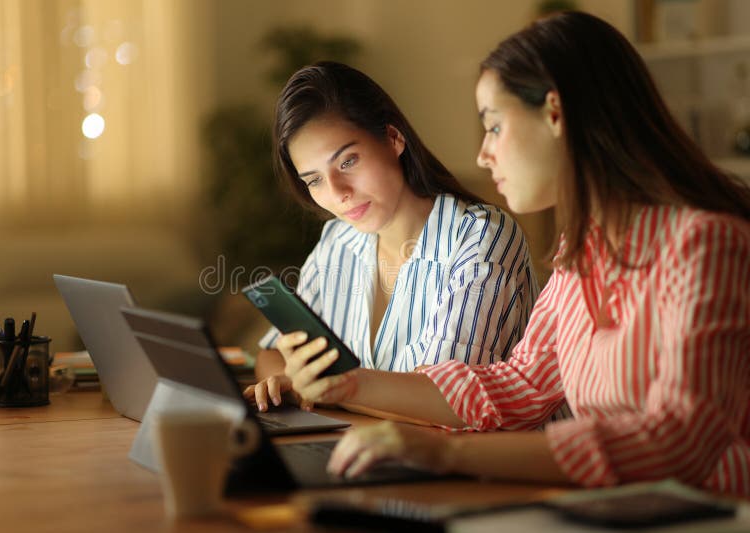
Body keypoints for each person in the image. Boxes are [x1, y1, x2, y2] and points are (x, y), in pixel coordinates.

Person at [286, 13, 750, 497]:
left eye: (493, 126)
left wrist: (447, 453)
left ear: (554, 114)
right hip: (621, 509)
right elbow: (520, 384)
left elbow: (681, 439)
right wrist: (351, 385)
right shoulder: (583, 252)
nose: (484, 155)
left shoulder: (705, 243)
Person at [245, 61, 540, 420]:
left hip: (479, 469)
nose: (338, 193)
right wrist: (288, 381)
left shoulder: (479, 238)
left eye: (348, 161)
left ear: (393, 138)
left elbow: (449, 405)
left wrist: (325, 389)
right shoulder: (339, 240)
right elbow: (271, 353)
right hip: (370, 452)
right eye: (314, 180)